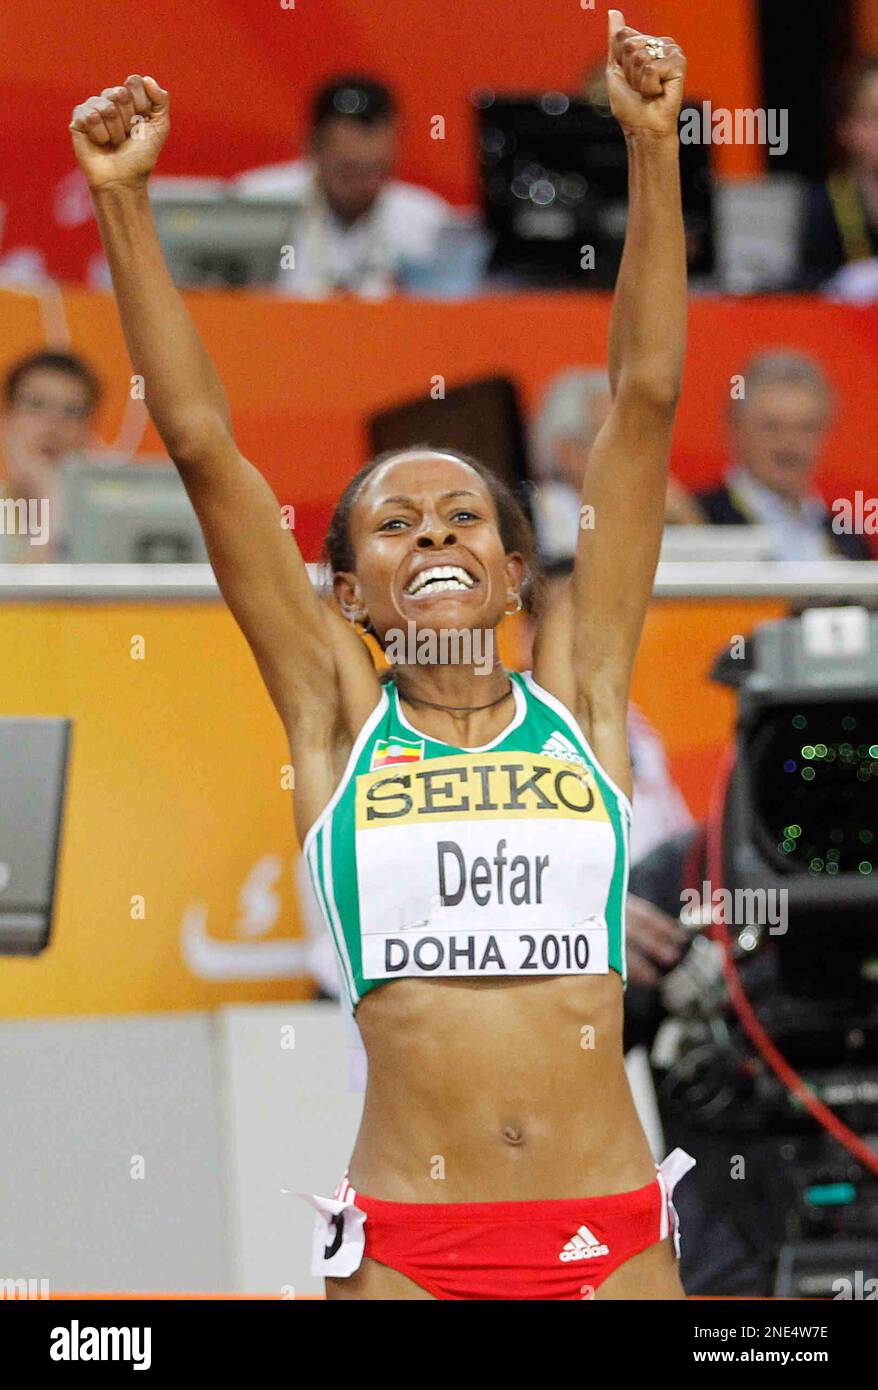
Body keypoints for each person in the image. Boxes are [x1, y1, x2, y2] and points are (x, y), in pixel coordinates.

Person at [70, 10, 693, 1301]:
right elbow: (201, 446)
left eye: (465, 516)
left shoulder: (582, 693)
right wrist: (123, 200)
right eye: (397, 525)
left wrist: (649, 148)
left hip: (610, 1230)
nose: (438, 535)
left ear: (515, 573)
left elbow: (642, 398)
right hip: (412, 1239)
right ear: (349, 592)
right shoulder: (337, 717)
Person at [235, 75, 455, 299]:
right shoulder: (257, 205)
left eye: (375, 170)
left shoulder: (426, 221)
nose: (363, 185)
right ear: (312, 145)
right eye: (349, 169)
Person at [695, 350, 872, 561]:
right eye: (772, 426)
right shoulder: (698, 519)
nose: (790, 443)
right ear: (736, 429)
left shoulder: (849, 539)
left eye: (806, 427)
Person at [530, 367, 703, 566]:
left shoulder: (652, 506)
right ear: (570, 453)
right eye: (622, 439)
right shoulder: (540, 517)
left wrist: (687, 523)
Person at [0, 350, 102, 561]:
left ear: (89, 431)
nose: (53, 424)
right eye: (36, 405)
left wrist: (52, 497)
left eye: (72, 411)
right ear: (6, 421)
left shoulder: (106, 521)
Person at [795, 57, 878, 294]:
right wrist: (839, 283)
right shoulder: (829, 201)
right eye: (874, 116)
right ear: (846, 128)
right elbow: (803, 285)